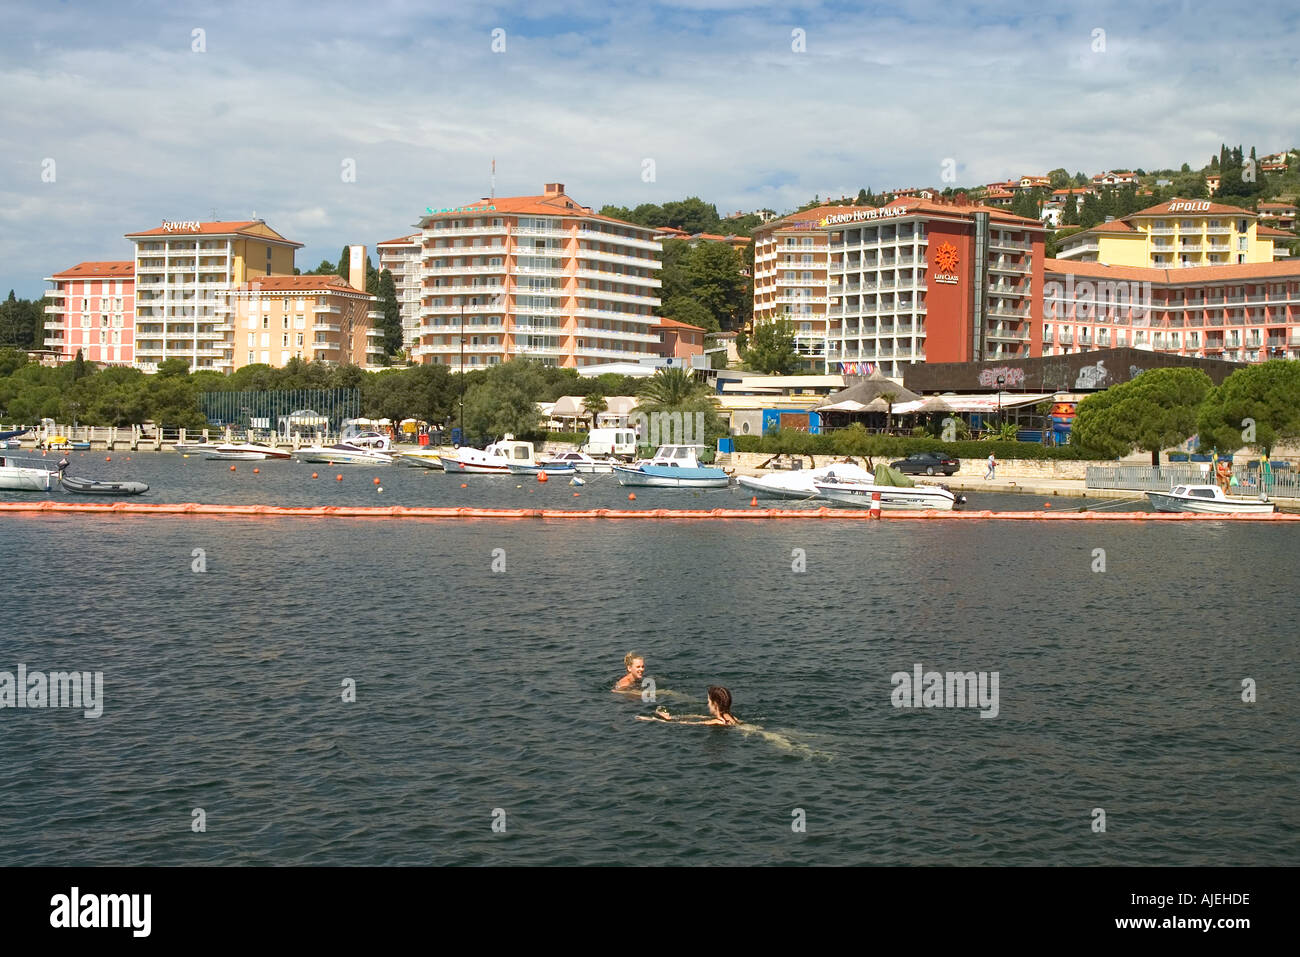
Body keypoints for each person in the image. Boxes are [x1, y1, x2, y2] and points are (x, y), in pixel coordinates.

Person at [639, 686, 740, 726]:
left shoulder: (716, 722)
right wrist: (672, 717)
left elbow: (689, 723)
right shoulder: (731, 718)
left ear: (715, 704)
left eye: (709, 701)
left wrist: (655, 720)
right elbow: (702, 717)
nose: (708, 704)